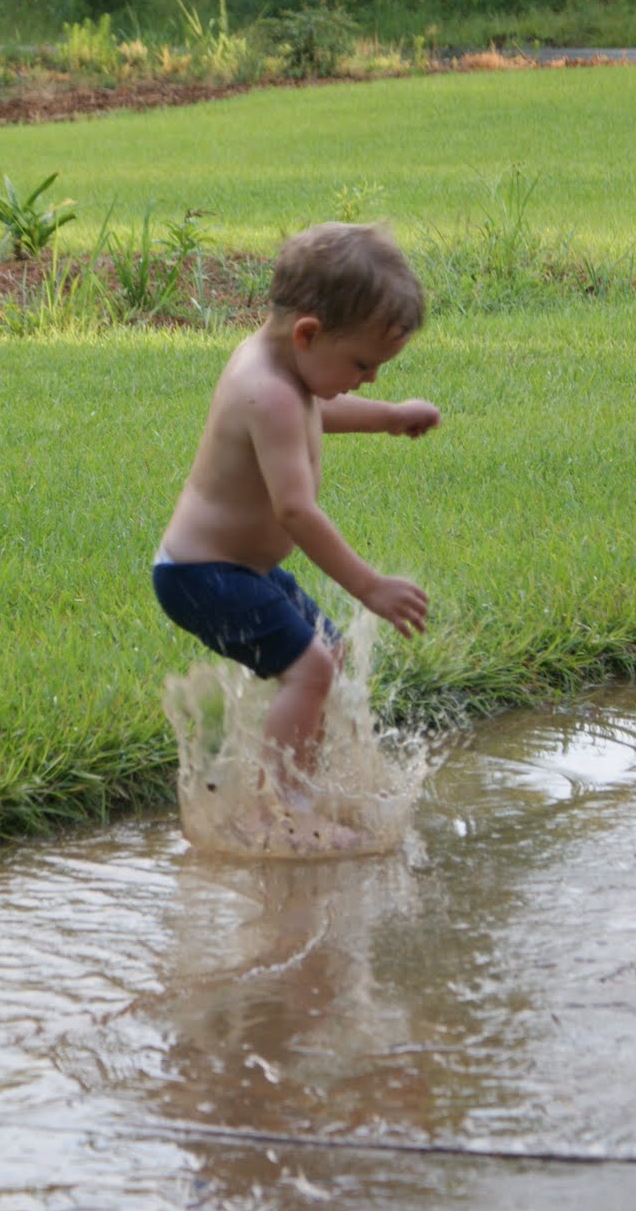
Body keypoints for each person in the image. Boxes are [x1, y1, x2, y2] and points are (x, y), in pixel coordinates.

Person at [153, 220, 440, 808]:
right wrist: (370, 586)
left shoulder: (286, 370)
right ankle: (284, 810)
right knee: (310, 670)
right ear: (308, 333)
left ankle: (288, 778)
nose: (370, 377)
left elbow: (320, 410)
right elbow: (296, 512)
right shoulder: (270, 389)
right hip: (202, 575)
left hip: (235, 570)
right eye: (363, 364)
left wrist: (387, 414)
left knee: (325, 657)